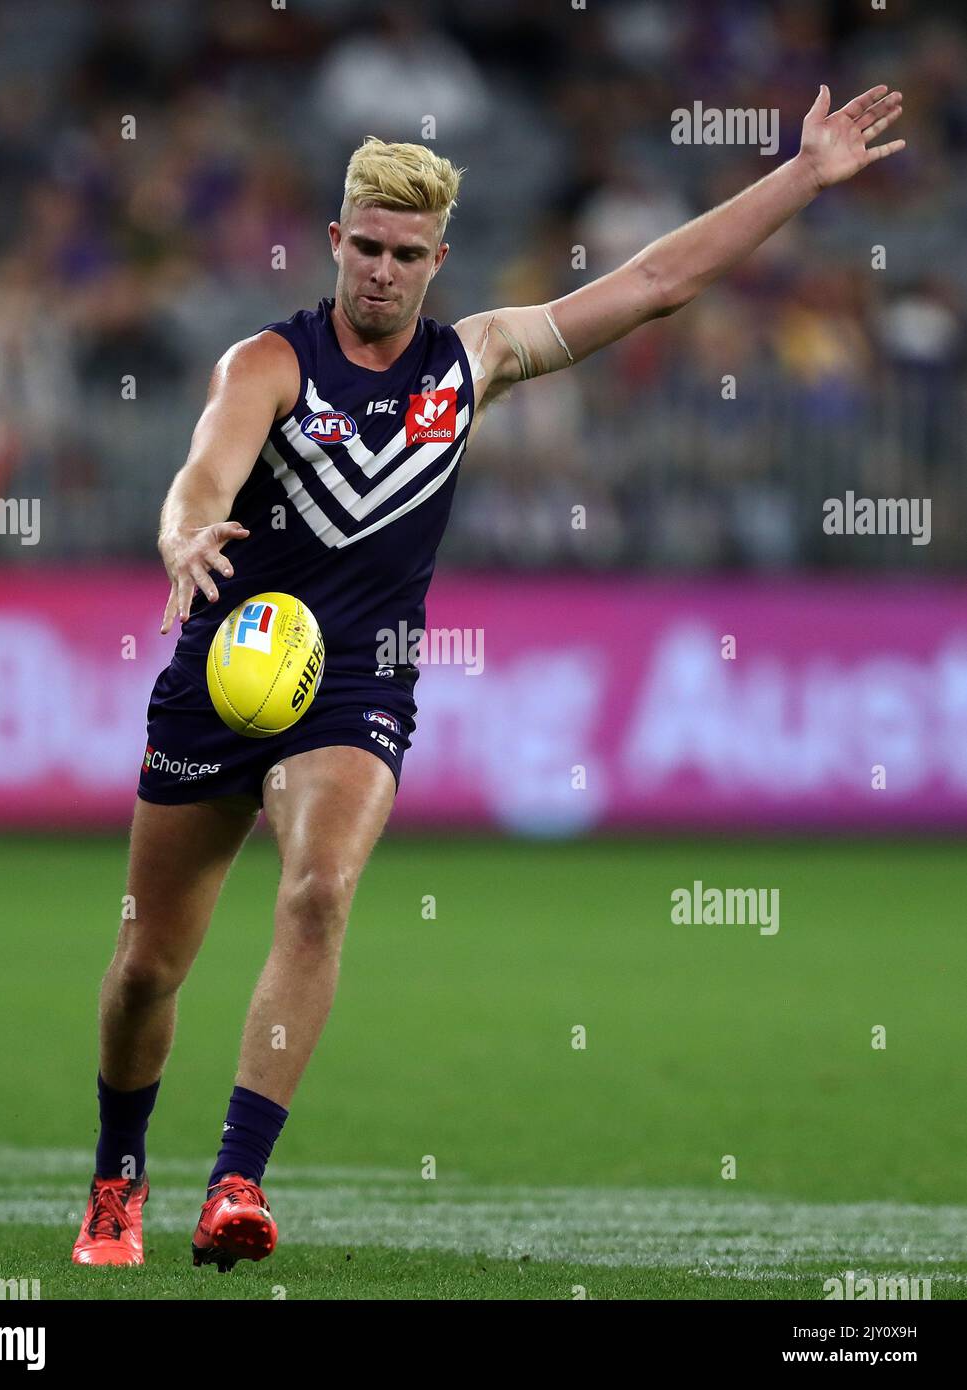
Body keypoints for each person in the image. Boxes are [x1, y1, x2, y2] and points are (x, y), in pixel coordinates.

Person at [72, 84, 904, 1269]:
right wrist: (182, 533)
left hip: (357, 680)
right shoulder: (268, 361)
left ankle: (234, 1185)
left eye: (405, 254)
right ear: (334, 242)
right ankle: (117, 1175)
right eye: (363, 246)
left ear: (436, 258)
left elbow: (653, 283)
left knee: (317, 893)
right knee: (148, 967)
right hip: (223, 672)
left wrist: (802, 178)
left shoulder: (473, 363)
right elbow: (205, 469)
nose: (380, 270)